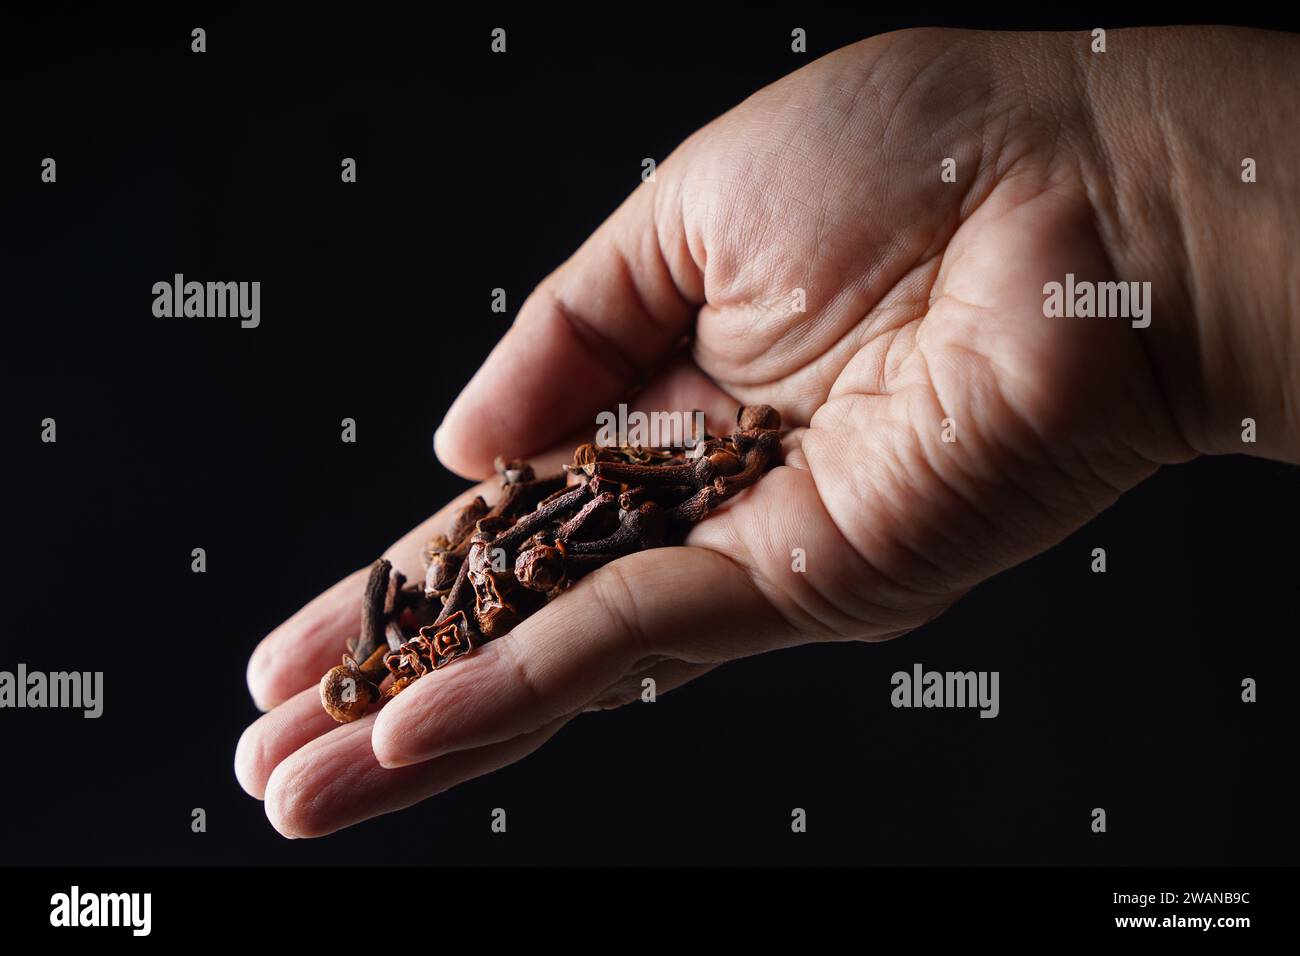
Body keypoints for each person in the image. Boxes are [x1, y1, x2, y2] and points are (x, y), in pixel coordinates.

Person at [235, 27, 1300, 837]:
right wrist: (1142, 212)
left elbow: (593, 496)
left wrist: (1132, 202)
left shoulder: (636, 481)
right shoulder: (497, 554)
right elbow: (530, 518)